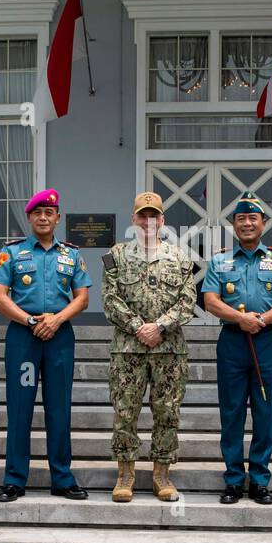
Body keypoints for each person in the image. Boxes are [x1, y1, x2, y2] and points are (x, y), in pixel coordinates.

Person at [0, 188, 92, 503]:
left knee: (59, 409)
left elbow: (82, 298)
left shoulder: (71, 255)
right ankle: (14, 479)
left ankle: (62, 478)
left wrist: (56, 320)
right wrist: (31, 321)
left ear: (57, 218)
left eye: (49, 213)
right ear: (29, 218)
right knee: (20, 408)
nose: (43, 218)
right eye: (37, 213)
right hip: (24, 337)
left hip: (59, 337)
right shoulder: (11, 253)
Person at [202, 191, 272, 505]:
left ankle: (259, 480)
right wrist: (240, 319)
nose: (247, 223)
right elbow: (210, 300)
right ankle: (233, 480)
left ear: (263, 223)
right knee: (231, 412)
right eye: (241, 218)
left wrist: (261, 319)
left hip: (266, 340)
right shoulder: (220, 261)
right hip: (232, 341)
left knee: (264, 411)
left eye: (253, 218)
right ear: (234, 224)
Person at [101, 191, 197, 503]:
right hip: (128, 350)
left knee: (167, 412)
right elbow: (110, 299)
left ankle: (161, 474)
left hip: (168, 350)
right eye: (142, 215)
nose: (148, 221)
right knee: (125, 412)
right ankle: (125, 474)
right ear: (134, 219)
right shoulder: (116, 256)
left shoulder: (180, 257)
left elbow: (188, 301)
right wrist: (138, 327)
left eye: (153, 215)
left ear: (162, 220)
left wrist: (160, 327)